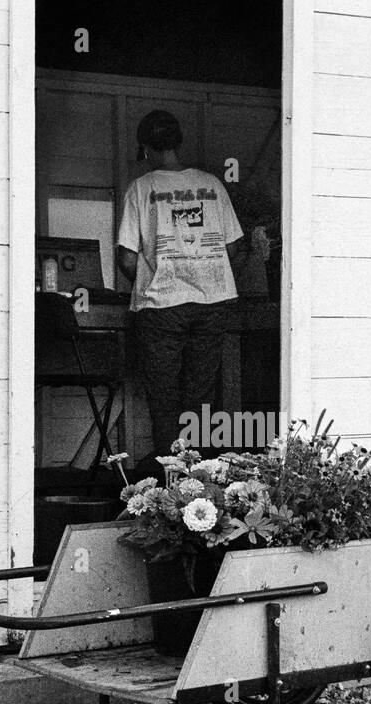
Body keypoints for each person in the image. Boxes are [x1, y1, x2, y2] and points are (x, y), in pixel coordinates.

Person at [117, 109, 245, 460]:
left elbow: (127, 258)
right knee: (200, 399)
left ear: (145, 149)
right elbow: (232, 247)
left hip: (161, 308)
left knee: (164, 399)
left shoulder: (141, 189)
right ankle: (199, 486)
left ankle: (170, 485)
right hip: (212, 303)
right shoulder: (213, 185)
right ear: (179, 143)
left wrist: (154, 278)